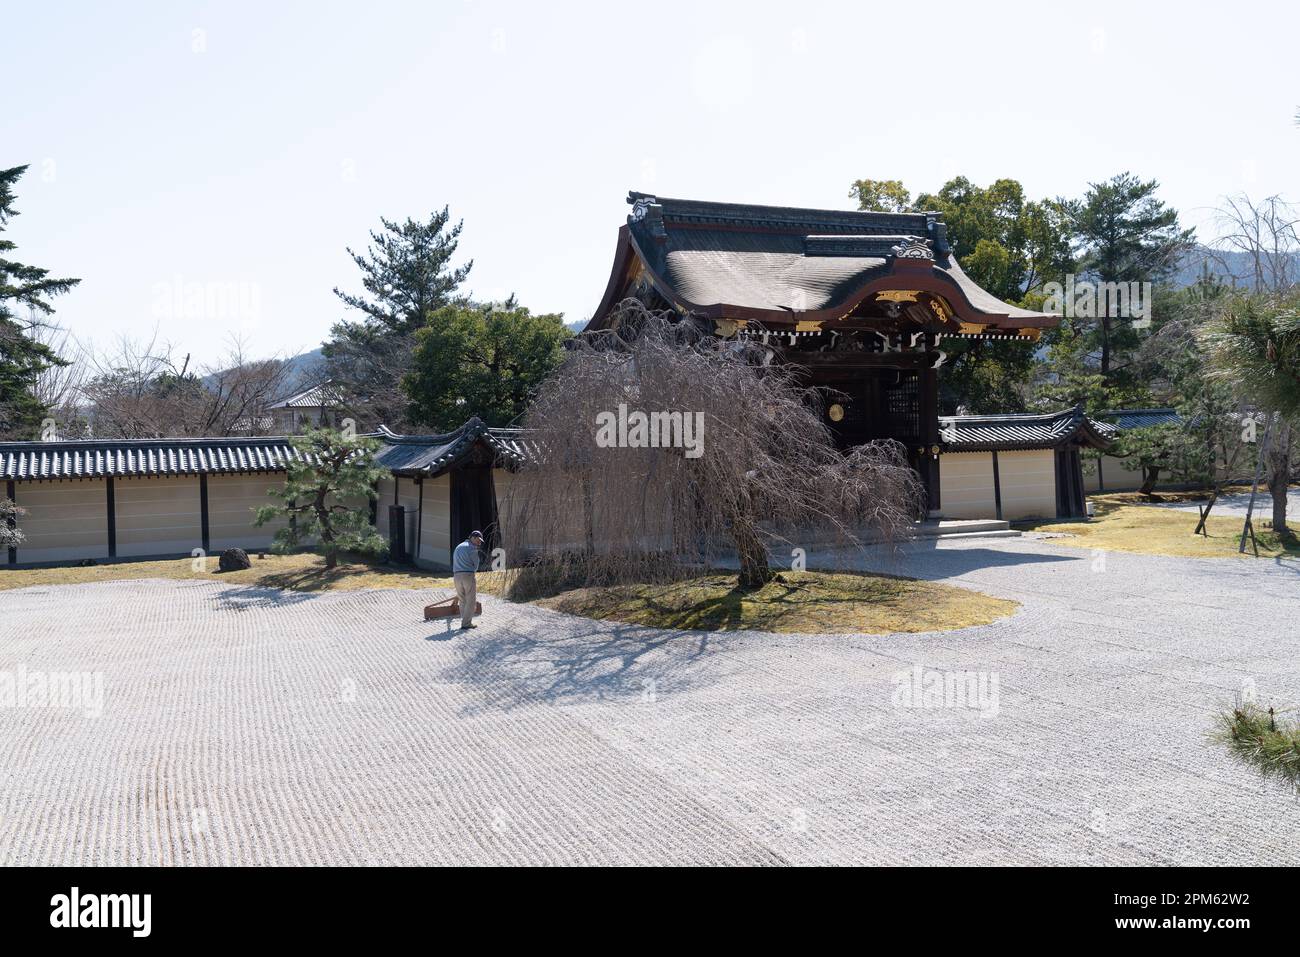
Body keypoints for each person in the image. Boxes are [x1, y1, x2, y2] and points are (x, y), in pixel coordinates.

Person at [451, 530, 484, 630]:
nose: (479, 543)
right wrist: (472, 570)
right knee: (471, 600)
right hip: (468, 575)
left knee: (462, 599)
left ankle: (464, 619)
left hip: (456, 575)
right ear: (472, 538)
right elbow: (476, 566)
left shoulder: (459, 546)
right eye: (478, 540)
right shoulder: (472, 548)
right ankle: (466, 623)